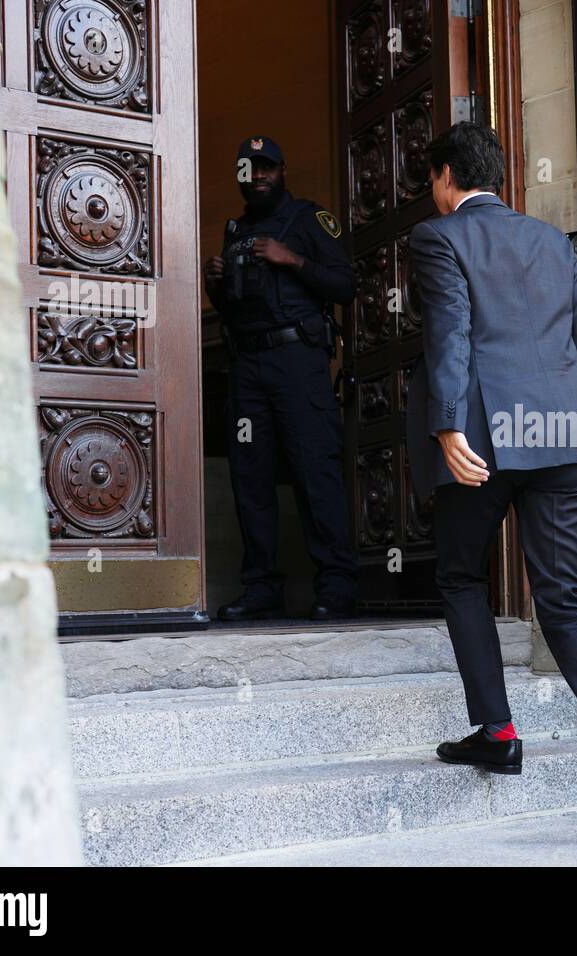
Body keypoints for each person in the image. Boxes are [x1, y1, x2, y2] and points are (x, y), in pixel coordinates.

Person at [405, 122, 577, 840]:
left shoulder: (437, 236)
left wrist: (447, 426)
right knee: (563, 599)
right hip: (567, 438)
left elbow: (450, 331)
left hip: (480, 440)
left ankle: (500, 732)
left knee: (461, 578)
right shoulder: (550, 241)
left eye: (431, 178)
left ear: (447, 176)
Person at [204, 135, 358, 622]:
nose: (260, 176)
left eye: (267, 167)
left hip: (298, 363)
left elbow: (346, 285)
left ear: (283, 170)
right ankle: (261, 588)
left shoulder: (309, 221)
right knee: (250, 477)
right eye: (250, 169)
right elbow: (234, 310)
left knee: (316, 471)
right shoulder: (235, 232)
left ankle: (338, 585)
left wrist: (292, 259)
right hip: (248, 366)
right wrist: (216, 283)